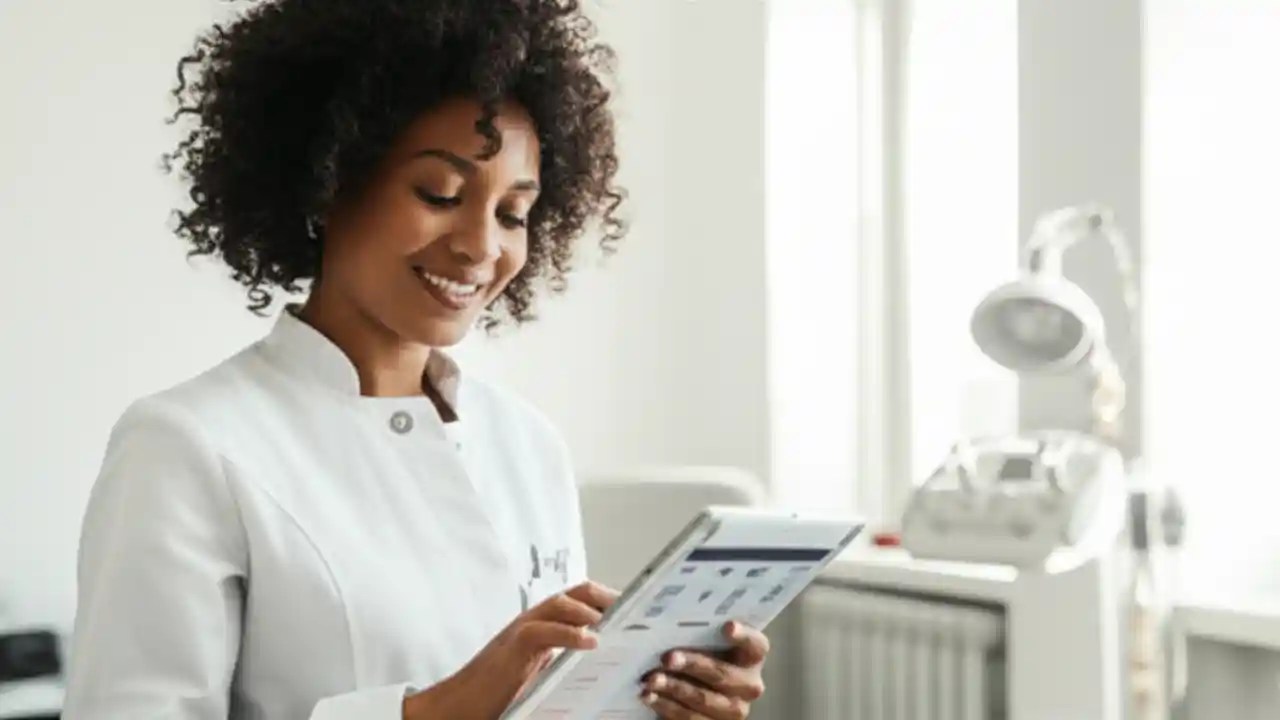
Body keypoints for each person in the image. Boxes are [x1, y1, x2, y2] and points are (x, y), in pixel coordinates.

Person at [61, 1, 771, 719]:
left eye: (512, 214)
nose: (480, 247)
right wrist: (424, 713)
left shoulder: (528, 446)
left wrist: (657, 699)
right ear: (328, 182)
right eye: (440, 193)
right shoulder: (185, 446)